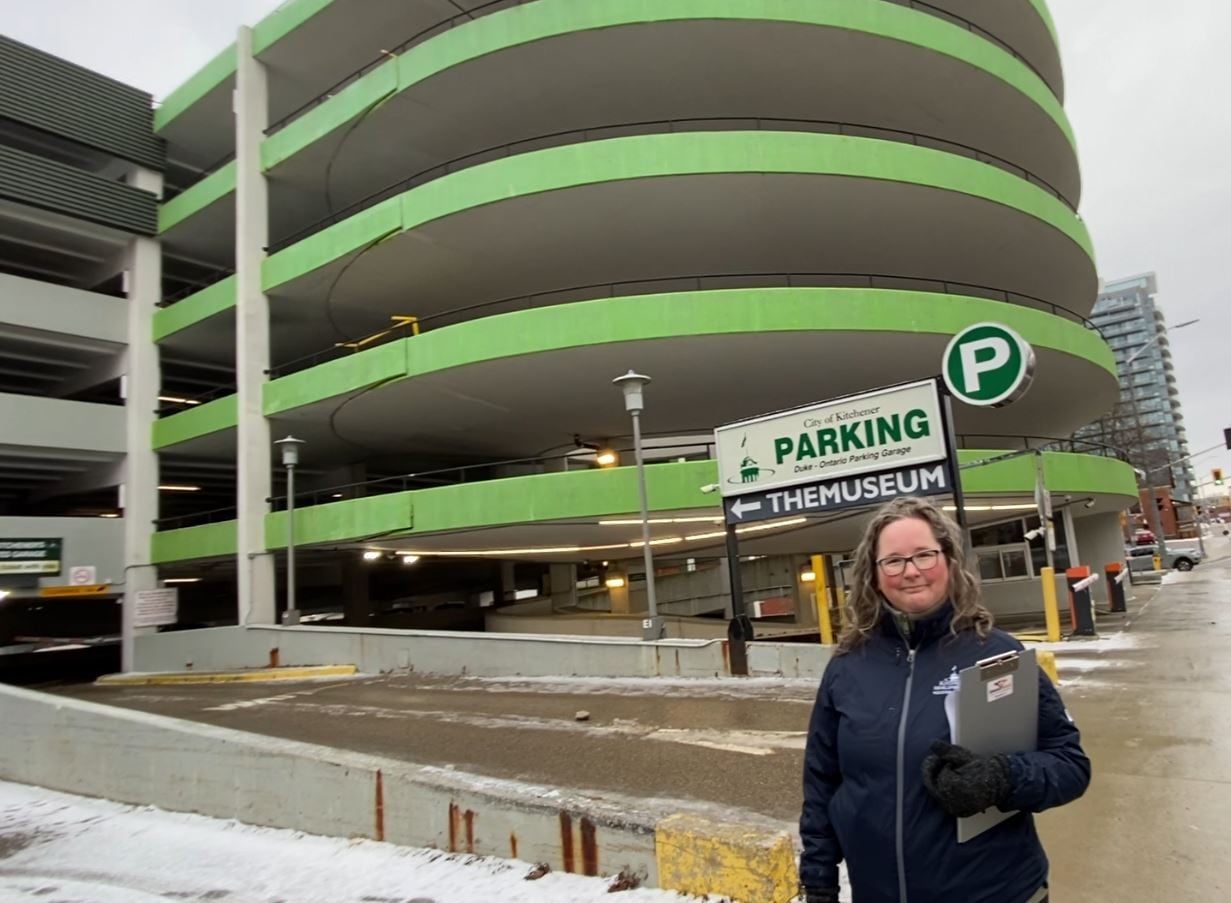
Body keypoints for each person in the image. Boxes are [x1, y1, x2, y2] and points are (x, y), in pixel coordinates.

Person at [798, 497, 1090, 903]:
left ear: (950, 561)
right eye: (894, 561)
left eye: (924, 555)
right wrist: (818, 881)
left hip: (996, 893)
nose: (911, 571)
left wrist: (1003, 777)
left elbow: (1070, 765)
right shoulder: (847, 666)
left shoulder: (998, 655)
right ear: (874, 575)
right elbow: (821, 783)